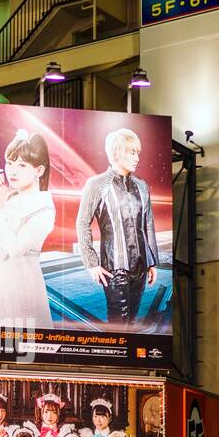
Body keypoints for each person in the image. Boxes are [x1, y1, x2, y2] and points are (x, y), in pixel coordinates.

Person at [0, 130, 56, 328]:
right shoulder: (8, 198)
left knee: (23, 348)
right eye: (9, 163)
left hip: (21, 284)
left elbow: (13, 248)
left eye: (22, 165)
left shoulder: (44, 209)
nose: (12, 171)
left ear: (39, 170)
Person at [76, 126, 159, 324]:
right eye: (132, 152)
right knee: (119, 323)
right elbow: (82, 222)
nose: (137, 158)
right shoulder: (97, 184)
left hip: (140, 265)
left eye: (137, 153)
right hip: (114, 267)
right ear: (116, 152)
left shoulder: (142, 186)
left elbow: (148, 223)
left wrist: (153, 261)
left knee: (130, 321)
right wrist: (91, 263)